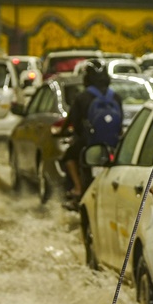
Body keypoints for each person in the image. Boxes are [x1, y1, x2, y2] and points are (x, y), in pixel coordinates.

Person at [60, 62, 116, 200]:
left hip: (88, 144)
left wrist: (61, 132)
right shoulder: (115, 97)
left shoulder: (82, 97)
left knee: (68, 157)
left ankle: (78, 188)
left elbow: (71, 121)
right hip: (112, 144)